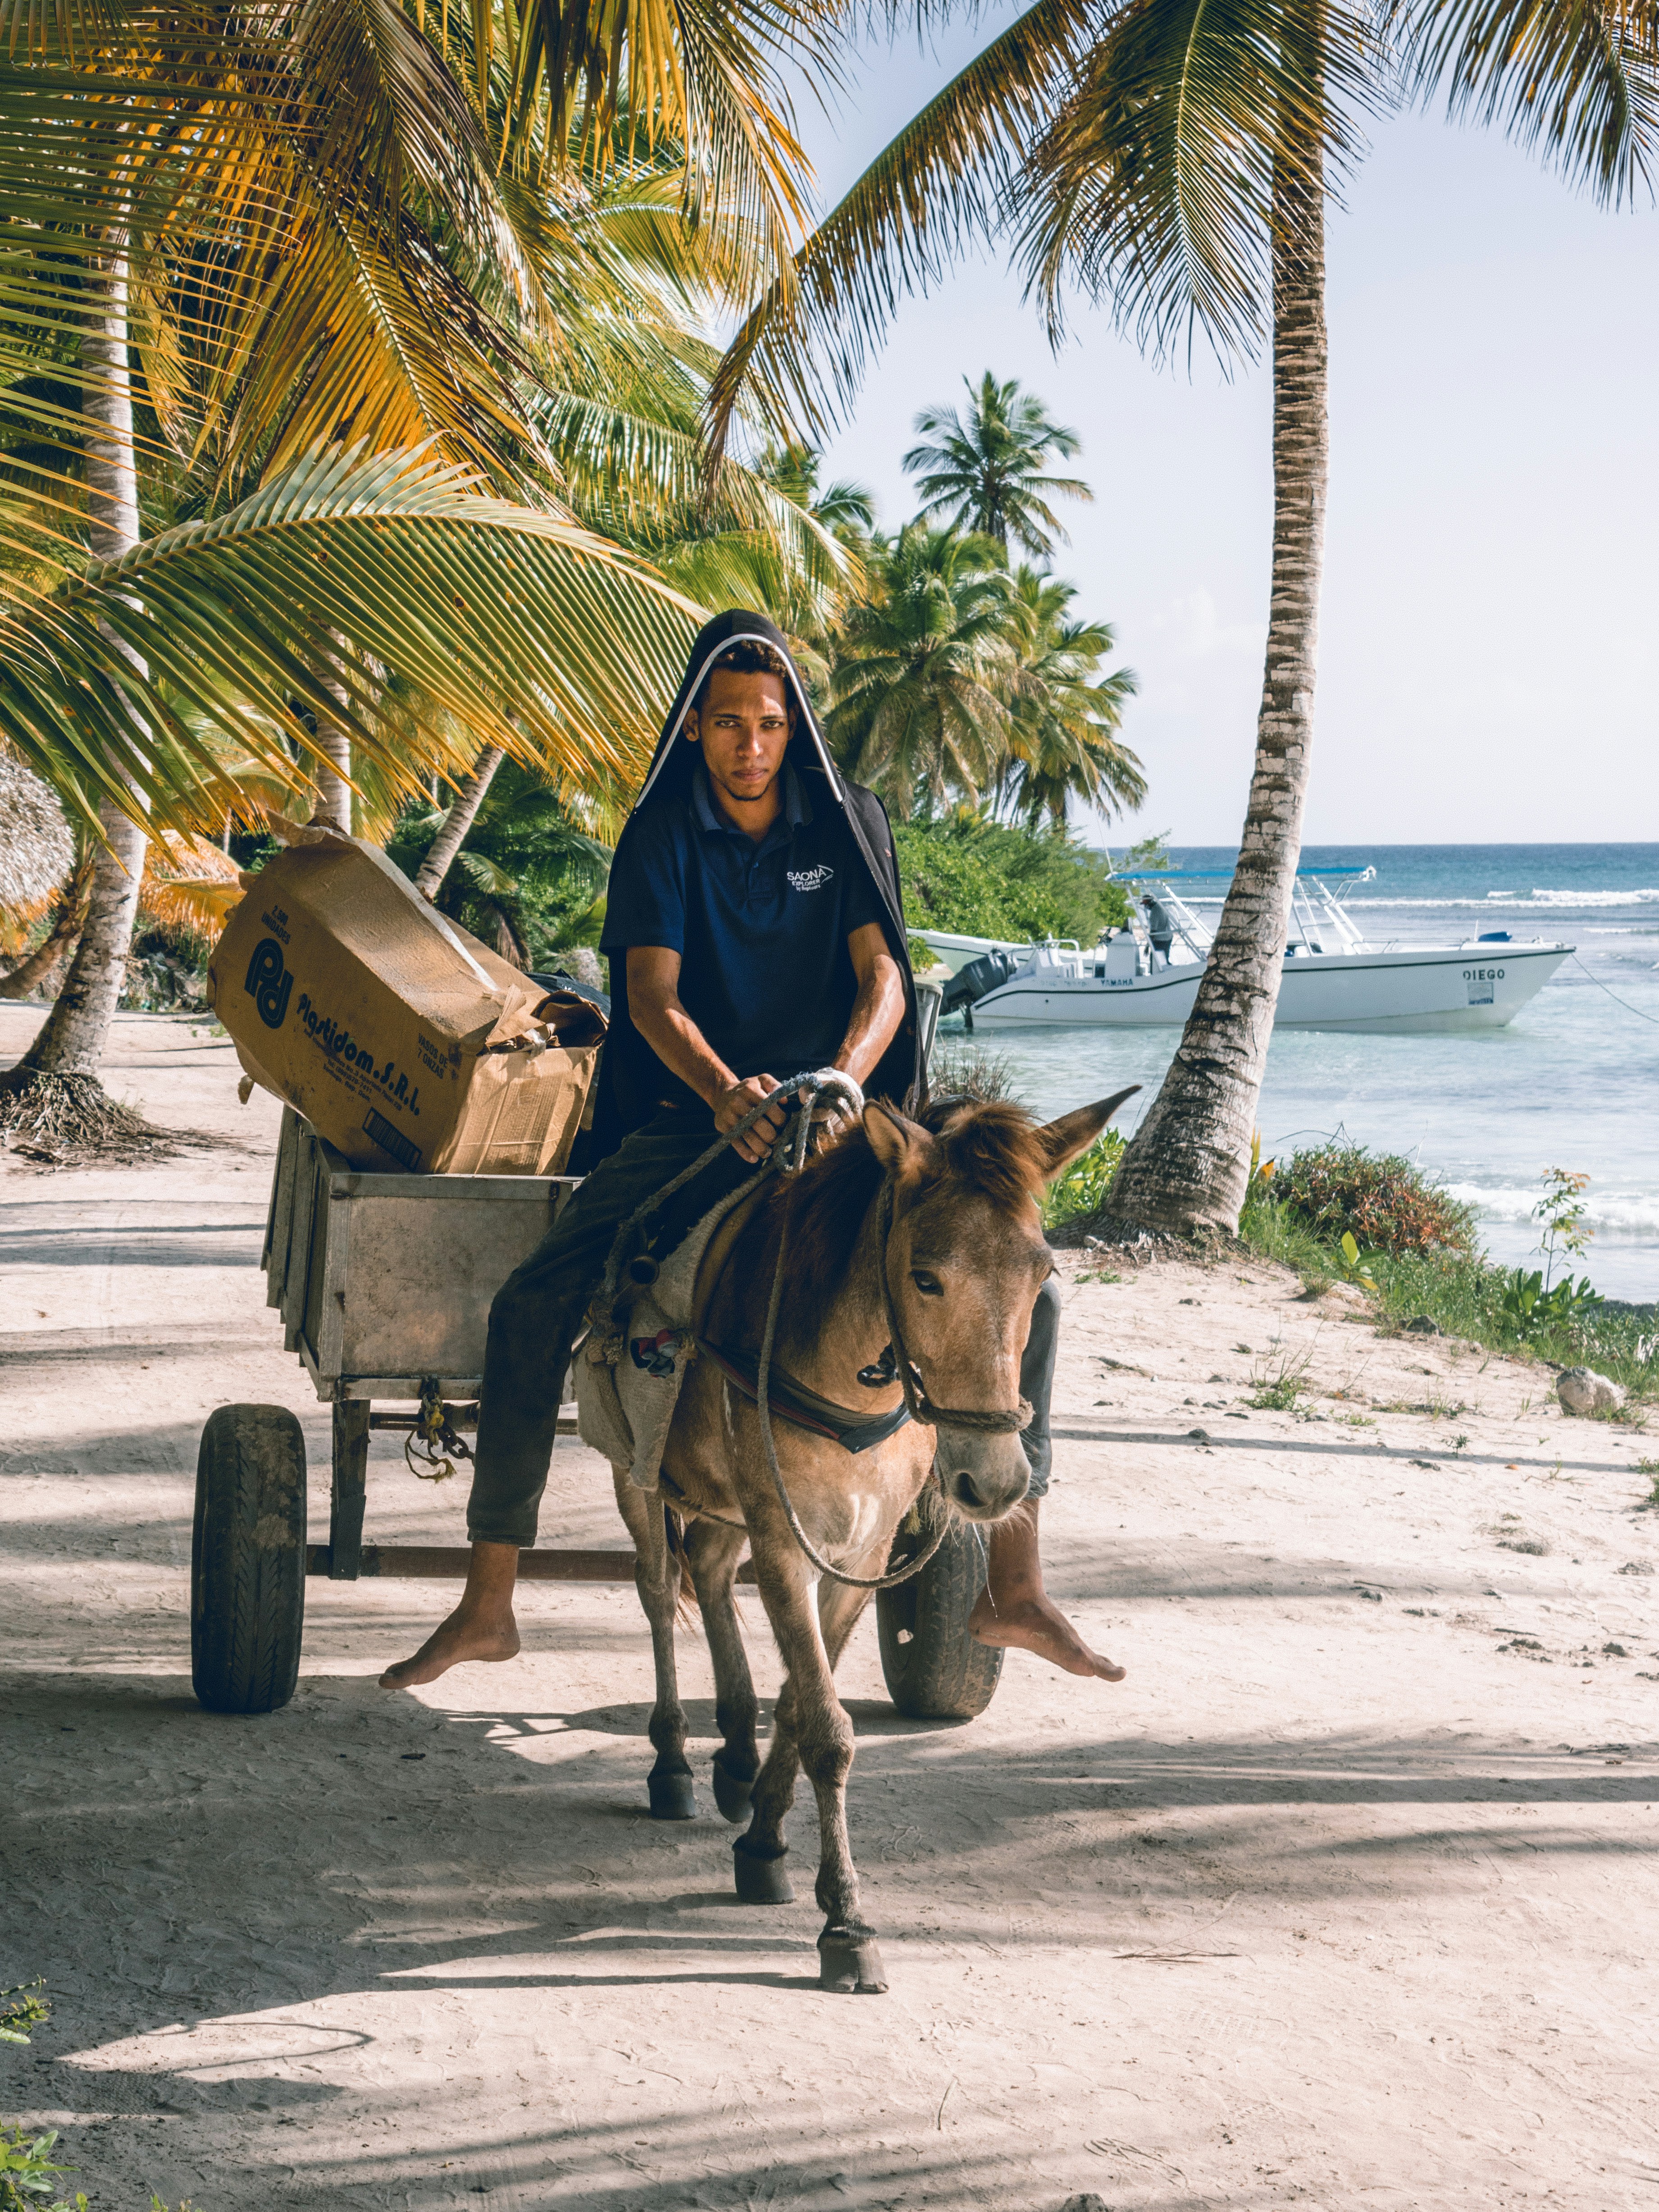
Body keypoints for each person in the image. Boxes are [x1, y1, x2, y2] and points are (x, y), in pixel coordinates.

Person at [381, 611, 1124, 1692]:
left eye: (768, 723)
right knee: (533, 1298)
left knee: (1030, 1292)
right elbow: (650, 996)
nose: (747, 743)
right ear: (693, 730)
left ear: (793, 730)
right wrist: (728, 1093)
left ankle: (1014, 1582)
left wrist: (842, 1076)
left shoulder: (843, 823)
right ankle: (488, 1599)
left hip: (850, 1119)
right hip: (699, 1114)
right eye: (726, 722)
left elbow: (887, 983)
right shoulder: (663, 836)